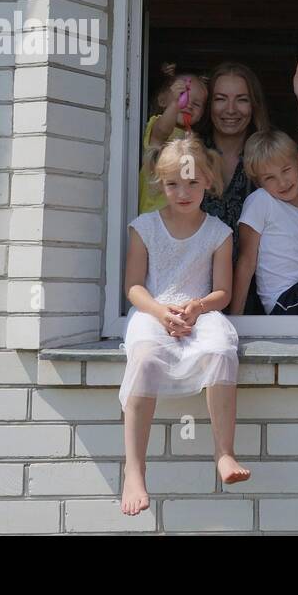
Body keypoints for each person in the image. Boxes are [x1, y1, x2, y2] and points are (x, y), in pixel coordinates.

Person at [119, 134, 248, 515]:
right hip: (153, 310)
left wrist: (197, 307)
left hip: (200, 311)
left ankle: (224, 452)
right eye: (173, 183)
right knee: (143, 358)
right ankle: (134, 470)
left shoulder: (218, 232)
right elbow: (133, 286)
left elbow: (222, 292)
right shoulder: (144, 227)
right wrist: (159, 312)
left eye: (192, 182)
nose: (184, 191)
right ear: (161, 184)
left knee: (222, 350)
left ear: (209, 180)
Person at [197, 54, 298, 313]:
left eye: (242, 99)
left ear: (254, 105)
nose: (230, 109)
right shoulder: (193, 154)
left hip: (265, 298)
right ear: (208, 105)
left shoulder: (268, 157)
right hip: (201, 289)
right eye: (220, 99)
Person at [231, 130, 298, 316]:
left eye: (286, 170)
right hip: (284, 302)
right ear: (259, 183)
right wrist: (236, 320)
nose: (282, 182)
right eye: (269, 177)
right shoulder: (261, 201)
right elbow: (246, 262)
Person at [138, 63, 208, 214]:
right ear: (163, 100)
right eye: (182, 96)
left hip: (179, 215)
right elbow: (163, 131)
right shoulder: (158, 124)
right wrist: (175, 105)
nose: (188, 105)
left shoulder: (192, 138)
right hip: (154, 212)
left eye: (196, 104)